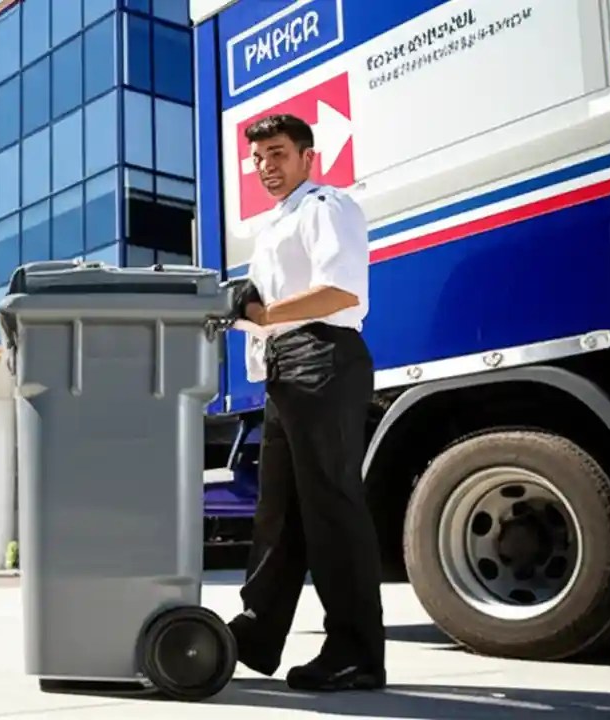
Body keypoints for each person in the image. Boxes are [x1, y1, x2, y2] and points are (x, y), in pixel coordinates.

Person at [227, 113, 386, 692]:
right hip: (285, 370)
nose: (267, 167)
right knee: (280, 513)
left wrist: (264, 313)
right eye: (259, 159)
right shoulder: (275, 224)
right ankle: (256, 633)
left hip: (323, 359)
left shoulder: (327, 206)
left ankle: (356, 653)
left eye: (278, 154)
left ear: (306, 157)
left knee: (331, 509)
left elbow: (342, 288)